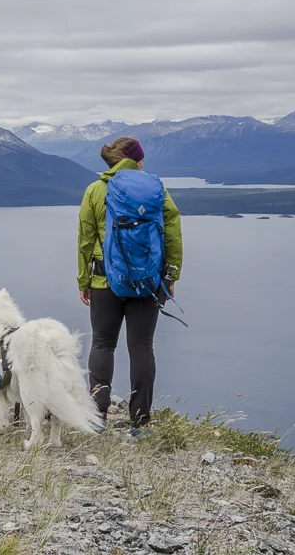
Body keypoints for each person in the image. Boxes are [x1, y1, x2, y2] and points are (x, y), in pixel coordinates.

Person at [77, 136, 182, 431]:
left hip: (104, 279)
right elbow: (172, 230)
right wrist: (170, 276)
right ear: (136, 160)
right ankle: (140, 423)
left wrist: (84, 279)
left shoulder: (96, 190)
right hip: (147, 281)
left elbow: (85, 240)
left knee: (102, 343)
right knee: (142, 348)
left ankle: (97, 416)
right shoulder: (156, 189)